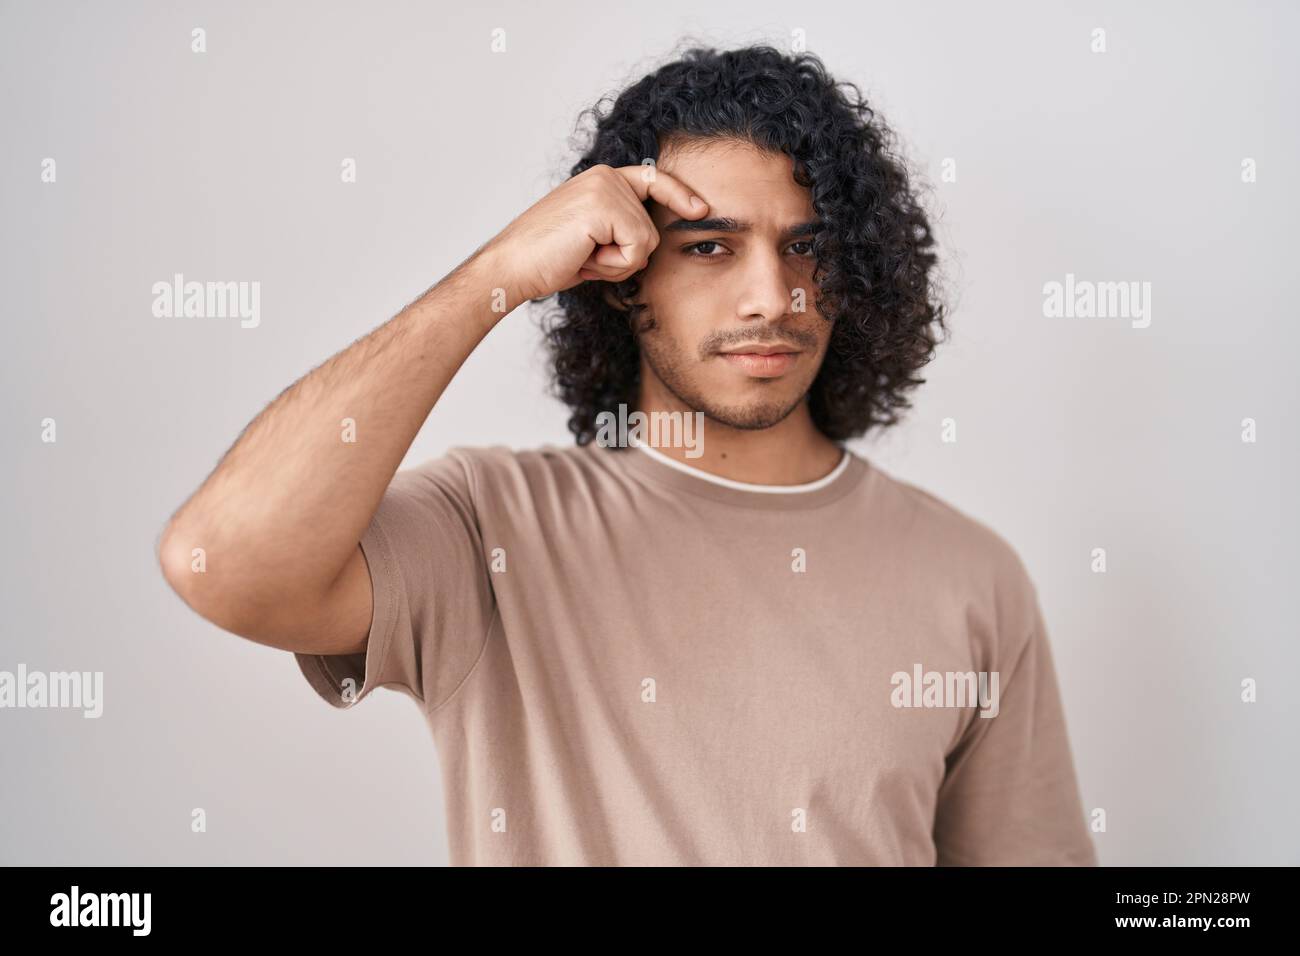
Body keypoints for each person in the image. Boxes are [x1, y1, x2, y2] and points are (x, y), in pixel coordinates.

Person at [159, 44, 1097, 866]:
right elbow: (223, 564)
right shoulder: (492, 528)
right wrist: (494, 276)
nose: (774, 298)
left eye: (806, 249)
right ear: (617, 274)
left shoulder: (971, 576)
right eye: (711, 248)